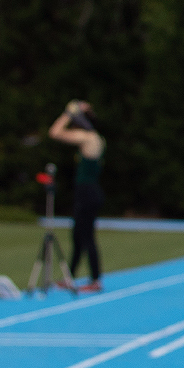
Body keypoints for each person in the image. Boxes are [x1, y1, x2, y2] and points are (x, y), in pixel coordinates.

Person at [50, 100, 105, 294]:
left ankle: (95, 280)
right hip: (86, 192)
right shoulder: (95, 137)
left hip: (88, 193)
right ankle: (70, 276)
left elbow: (55, 132)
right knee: (78, 236)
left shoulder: (88, 137)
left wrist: (69, 112)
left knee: (87, 236)